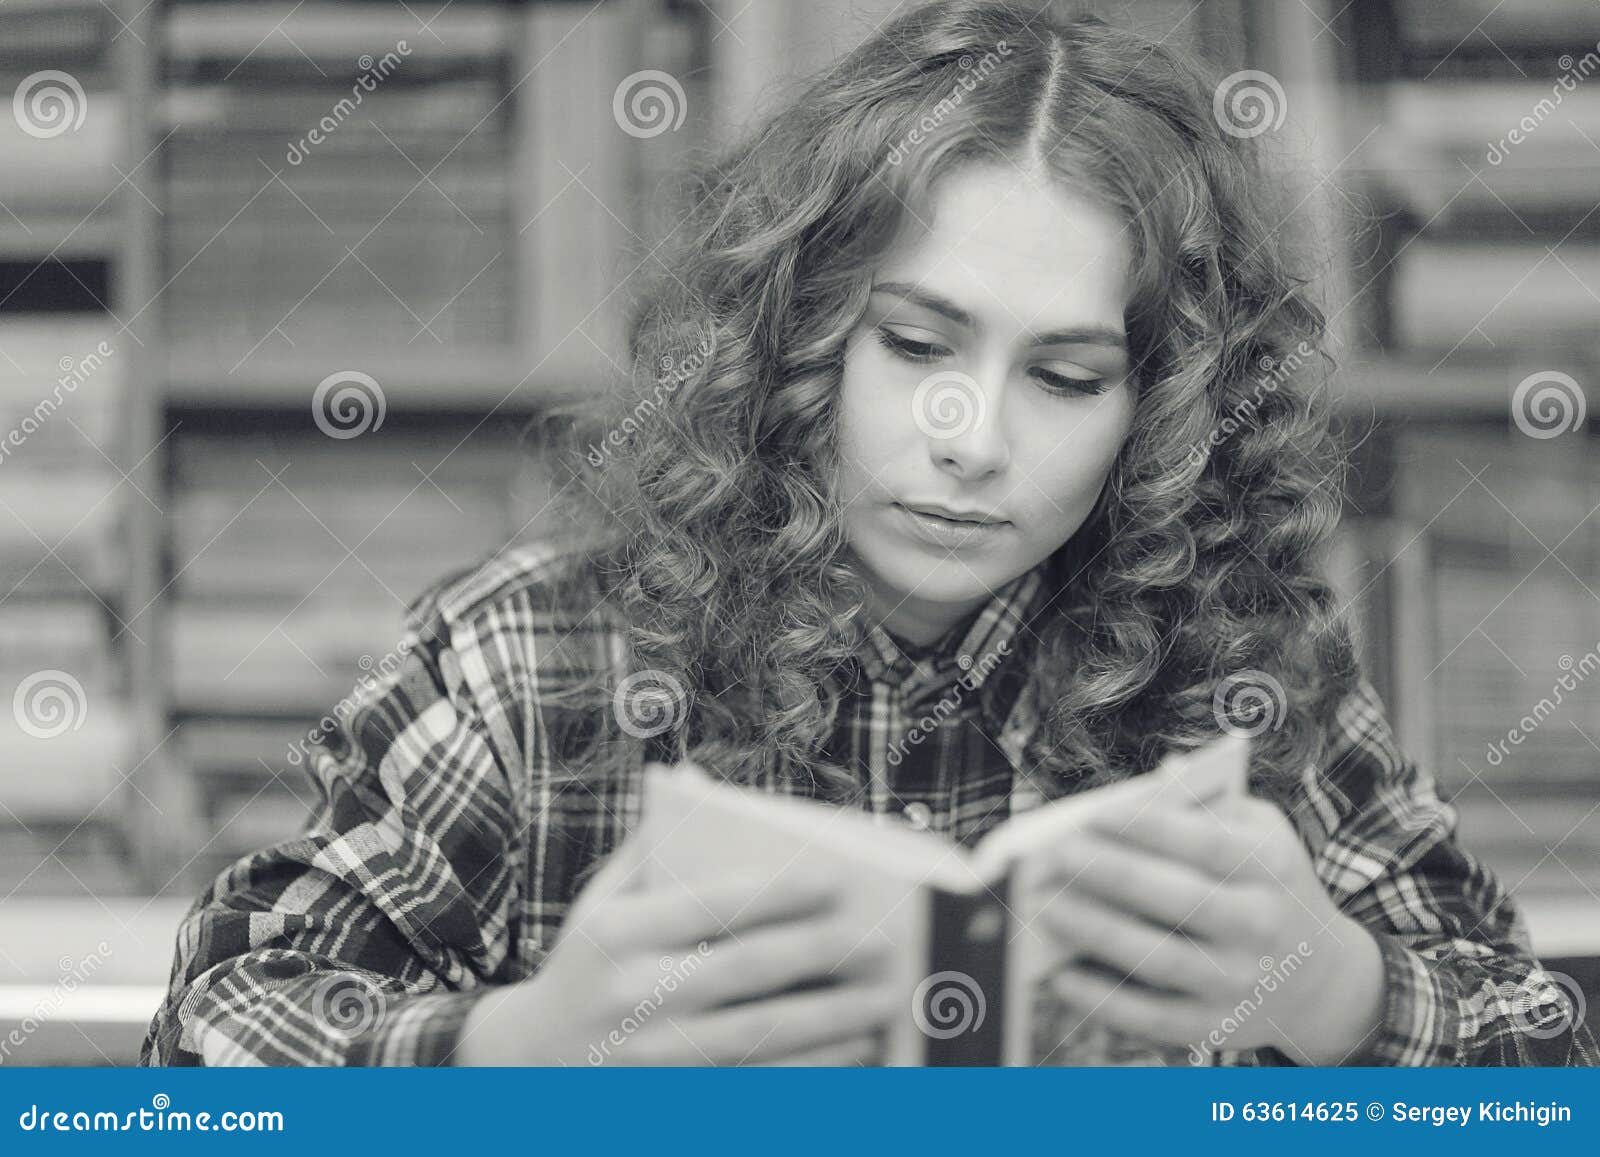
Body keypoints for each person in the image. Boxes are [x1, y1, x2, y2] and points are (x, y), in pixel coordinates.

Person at [141, 0, 1597, 1067]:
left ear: (1157, 411)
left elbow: (1545, 1068)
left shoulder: (1247, 675)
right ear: (800, 337)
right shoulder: (532, 659)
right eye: (916, 346)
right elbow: (199, 1059)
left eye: (1067, 376)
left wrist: (1339, 994)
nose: (973, 435)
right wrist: (516, 1047)